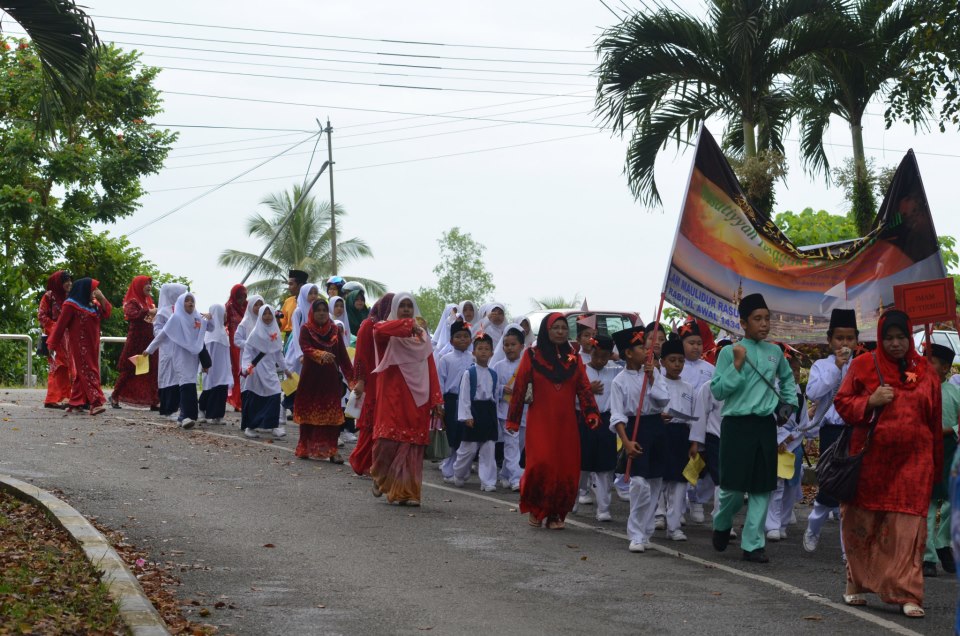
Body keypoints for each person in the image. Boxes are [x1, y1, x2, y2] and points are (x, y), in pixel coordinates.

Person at [834, 309, 941, 618]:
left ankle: (908, 593)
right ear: (880, 339)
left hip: (915, 463)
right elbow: (842, 403)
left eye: (901, 337)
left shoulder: (926, 371)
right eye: (889, 338)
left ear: (910, 338)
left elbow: (934, 422)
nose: (895, 344)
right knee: (863, 524)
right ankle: (856, 583)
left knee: (908, 529)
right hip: (871, 462)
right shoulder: (862, 366)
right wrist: (870, 402)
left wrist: (936, 464)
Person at [710, 293, 797, 564]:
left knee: (762, 488)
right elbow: (718, 390)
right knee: (733, 489)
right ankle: (722, 523)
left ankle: (753, 544)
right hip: (736, 425)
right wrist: (736, 365)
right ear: (743, 323)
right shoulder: (728, 351)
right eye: (757, 319)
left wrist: (789, 404)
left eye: (767, 318)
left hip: (764, 426)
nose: (764, 324)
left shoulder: (774, 352)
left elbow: (787, 378)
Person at [506, 313, 601, 529]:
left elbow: (584, 388)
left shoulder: (574, 358)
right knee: (541, 464)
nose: (560, 332)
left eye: (563, 328)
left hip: (566, 424)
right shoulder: (532, 355)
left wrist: (591, 413)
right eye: (555, 328)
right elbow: (520, 387)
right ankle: (537, 509)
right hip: (540, 421)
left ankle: (556, 514)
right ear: (546, 331)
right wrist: (513, 420)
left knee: (565, 467)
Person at [370, 293, 443, 506]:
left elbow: (431, 368)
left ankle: (408, 492)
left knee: (411, 446)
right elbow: (378, 330)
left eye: (410, 306)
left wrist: (437, 399)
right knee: (387, 442)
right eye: (402, 306)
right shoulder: (387, 332)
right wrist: (407, 325)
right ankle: (380, 476)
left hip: (417, 399)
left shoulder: (422, 338)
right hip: (392, 396)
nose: (406, 310)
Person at [802, 308, 859, 553]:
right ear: (829, 340)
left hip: (854, 432)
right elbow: (813, 393)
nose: (844, 344)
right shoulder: (821, 366)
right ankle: (813, 526)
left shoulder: (861, 366)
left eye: (849, 339)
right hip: (830, 432)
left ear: (856, 340)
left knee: (851, 490)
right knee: (829, 485)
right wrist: (836, 366)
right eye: (839, 338)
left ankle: (848, 550)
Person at [609, 325, 670, 551]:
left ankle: (646, 533)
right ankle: (634, 532)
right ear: (628, 353)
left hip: (656, 426)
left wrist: (652, 377)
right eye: (642, 348)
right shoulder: (619, 381)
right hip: (635, 429)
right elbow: (617, 416)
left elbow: (663, 400)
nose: (648, 352)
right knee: (638, 483)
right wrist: (625, 442)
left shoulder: (655, 372)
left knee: (655, 483)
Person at [294, 298, 354, 462]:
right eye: (318, 310)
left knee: (332, 417)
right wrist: (320, 354)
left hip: (330, 381)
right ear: (312, 312)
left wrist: (352, 380)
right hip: (310, 380)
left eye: (324, 310)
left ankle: (332, 451)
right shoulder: (306, 329)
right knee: (309, 416)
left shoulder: (334, 330)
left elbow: (342, 356)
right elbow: (305, 348)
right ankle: (305, 448)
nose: (321, 313)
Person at [765, 345, 811, 542]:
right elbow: (767, 418)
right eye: (789, 370)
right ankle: (772, 524)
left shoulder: (799, 398)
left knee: (791, 485)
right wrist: (779, 438)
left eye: (796, 371)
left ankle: (783, 522)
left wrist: (792, 439)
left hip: (792, 447)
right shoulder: (769, 393)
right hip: (774, 444)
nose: (793, 374)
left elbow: (804, 425)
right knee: (776, 485)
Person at [47, 278, 112, 415]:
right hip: (80, 345)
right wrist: (52, 344)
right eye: (93, 289)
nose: (95, 292)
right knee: (89, 371)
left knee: (83, 372)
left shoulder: (92, 305)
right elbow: (60, 326)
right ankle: (95, 403)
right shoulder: (70, 304)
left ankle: (76, 402)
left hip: (93, 345)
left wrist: (102, 298)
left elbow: (107, 313)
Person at [144, 292, 208, 429]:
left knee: (191, 384)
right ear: (180, 303)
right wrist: (149, 349)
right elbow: (162, 335)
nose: (190, 303)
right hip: (180, 356)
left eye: (192, 300)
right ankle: (185, 417)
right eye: (187, 300)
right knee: (186, 385)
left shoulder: (197, 317)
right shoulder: (176, 318)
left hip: (193, 357)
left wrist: (210, 318)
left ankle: (183, 417)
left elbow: (210, 328)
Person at [923, 343, 959, 577]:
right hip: (925, 447)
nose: (926, 365)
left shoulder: (955, 392)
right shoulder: (920, 389)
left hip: (949, 449)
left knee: (947, 500)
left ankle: (942, 543)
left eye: (932, 362)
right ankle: (927, 555)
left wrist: (951, 430)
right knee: (927, 501)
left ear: (945, 367)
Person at [349, 293, 394, 476]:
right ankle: (361, 461)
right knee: (369, 424)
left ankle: (374, 462)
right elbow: (360, 355)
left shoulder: (390, 326)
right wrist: (360, 380)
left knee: (381, 424)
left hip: (387, 379)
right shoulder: (369, 325)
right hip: (371, 379)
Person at [576, 335, 620, 522]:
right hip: (584, 419)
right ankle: (573, 500)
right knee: (580, 465)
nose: (600, 360)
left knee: (604, 468)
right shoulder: (580, 371)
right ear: (590, 352)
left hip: (605, 421)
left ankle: (603, 507)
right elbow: (570, 395)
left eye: (605, 356)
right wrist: (587, 390)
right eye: (596, 355)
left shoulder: (615, 372)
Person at [689, 339, 732, 527]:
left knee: (731, 481)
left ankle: (721, 514)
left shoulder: (744, 386)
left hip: (736, 438)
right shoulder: (709, 387)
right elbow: (700, 414)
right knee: (720, 479)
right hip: (715, 437)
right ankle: (720, 520)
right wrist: (697, 442)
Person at [659, 335, 697, 541]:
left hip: (681, 435)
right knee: (659, 481)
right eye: (672, 360)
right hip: (662, 434)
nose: (677, 365)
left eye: (680, 360)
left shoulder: (689, 388)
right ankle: (657, 515)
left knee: (680, 483)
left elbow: (693, 418)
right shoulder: (656, 383)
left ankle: (674, 526)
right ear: (663, 362)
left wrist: (694, 442)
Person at [451, 333, 499, 490]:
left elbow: (495, 397)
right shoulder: (469, 373)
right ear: (474, 352)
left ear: (492, 353)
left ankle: (488, 481)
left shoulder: (493, 374)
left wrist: (495, 418)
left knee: (489, 448)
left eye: (486, 349)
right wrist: (466, 416)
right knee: (468, 448)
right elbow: (464, 395)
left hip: (488, 412)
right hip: (474, 410)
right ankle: (458, 473)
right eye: (480, 348)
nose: (483, 352)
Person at [240, 305, 293, 439]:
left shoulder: (275, 331)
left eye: (270, 314)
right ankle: (250, 426)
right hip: (256, 371)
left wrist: (285, 369)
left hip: (270, 370)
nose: (268, 317)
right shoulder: (255, 333)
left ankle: (273, 425)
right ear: (260, 316)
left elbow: (278, 354)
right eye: (265, 314)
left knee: (275, 394)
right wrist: (246, 367)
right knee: (256, 398)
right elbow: (248, 351)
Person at [111, 276, 159, 409]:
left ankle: (154, 401)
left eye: (150, 284)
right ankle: (115, 396)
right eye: (145, 284)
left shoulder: (149, 301)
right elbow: (131, 315)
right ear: (138, 286)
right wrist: (149, 311)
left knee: (152, 370)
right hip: (136, 342)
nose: (149, 286)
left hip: (149, 341)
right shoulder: (132, 301)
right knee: (129, 369)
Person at [492, 324, 528, 492]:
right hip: (506, 411)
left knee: (519, 445)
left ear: (521, 346)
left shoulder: (527, 365)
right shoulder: (498, 366)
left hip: (524, 411)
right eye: (506, 344)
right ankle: (516, 479)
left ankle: (505, 473)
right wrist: (501, 389)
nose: (509, 348)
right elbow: (491, 386)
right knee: (511, 445)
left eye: (513, 345)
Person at [438, 321, 474, 483]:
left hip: (468, 402)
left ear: (471, 340)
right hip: (451, 400)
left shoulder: (473, 359)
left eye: (466, 337)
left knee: (464, 435)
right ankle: (449, 467)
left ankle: (460, 469)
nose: (462, 340)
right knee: (453, 435)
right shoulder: (445, 359)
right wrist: (441, 403)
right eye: (458, 337)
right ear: (451, 340)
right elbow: (440, 382)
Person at [282, 281, 321, 417]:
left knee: (306, 381)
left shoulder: (317, 311)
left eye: (315, 293)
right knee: (292, 378)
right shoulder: (298, 312)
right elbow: (297, 333)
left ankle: (300, 409)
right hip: (297, 349)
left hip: (311, 349)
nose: (313, 296)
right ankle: (284, 406)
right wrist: (300, 354)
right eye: (310, 293)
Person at [38, 270, 73, 408]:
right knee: (57, 367)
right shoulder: (49, 296)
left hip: (69, 338)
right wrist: (57, 327)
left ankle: (66, 397)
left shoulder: (70, 296)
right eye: (66, 281)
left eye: (70, 280)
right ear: (59, 283)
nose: (69, 283)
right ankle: (52, 399)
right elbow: (41, 316)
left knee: (68, 367)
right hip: (55, 338)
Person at [154, 283, 188, 419]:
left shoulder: (183, 310)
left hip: (181, 349)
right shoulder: (164, 311)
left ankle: (179, 408)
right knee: (169, 378)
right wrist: (169, 332)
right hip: (168, 348)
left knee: (180, 378)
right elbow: (156, 330)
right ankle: (169, 409)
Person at [199, 303, 232, 425]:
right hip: (212, 368)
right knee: (209, 388)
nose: (225, 315)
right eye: (223, 312)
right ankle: (202, 410)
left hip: (223, 368)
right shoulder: (210, 333)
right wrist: (205, 366)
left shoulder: (223, 332)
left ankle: (217, 415)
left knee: (221, 389)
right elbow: (207, 352)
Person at [224, 284, 247, 411]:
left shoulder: (248, 306)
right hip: (233, 343)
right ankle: (237, 401)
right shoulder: (229, 307)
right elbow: (224, 323)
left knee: (245, 369)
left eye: (244, 297)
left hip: (246, 341)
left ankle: (244, 399)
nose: (242, 300)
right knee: (236, 370)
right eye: (239, 297)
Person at [280, 269, 308, 339]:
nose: (289, 287)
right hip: (289, 337)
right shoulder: (288, 301)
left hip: (306, 337)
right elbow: (282, 323)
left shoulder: (312, 301)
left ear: (300, 286)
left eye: (291, 284)